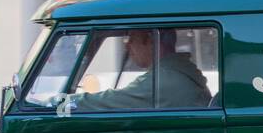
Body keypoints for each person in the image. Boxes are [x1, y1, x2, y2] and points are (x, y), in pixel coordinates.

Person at [73, 28, 212, 112]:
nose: (127, 47)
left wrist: (64, 103)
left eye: (132, 39)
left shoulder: (163, 79)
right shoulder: (178, 73)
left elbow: (113, 101)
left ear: (152, 41)